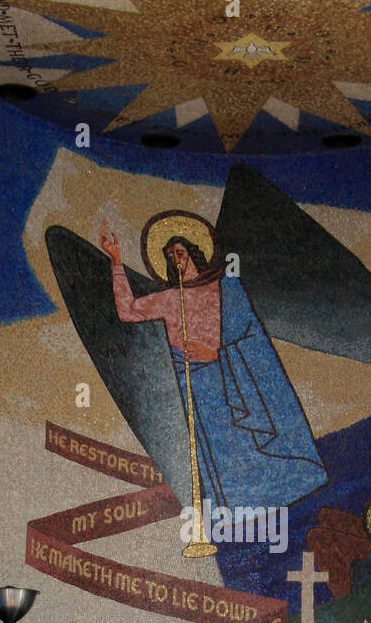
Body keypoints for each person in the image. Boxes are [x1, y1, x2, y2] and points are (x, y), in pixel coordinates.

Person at [98, 214, 326, 513]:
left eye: (179, 253)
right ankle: (232, 512)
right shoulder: (168, 298)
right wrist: (115, 260)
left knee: (244, 446)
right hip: (191, 385)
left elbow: (251, 334)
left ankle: (273, 498)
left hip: (228, 379)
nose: (176, 261)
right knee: (216, 455)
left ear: (194, 253)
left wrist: (215, 353)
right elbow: (127, 311)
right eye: (169, 257)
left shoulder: (226, 288)